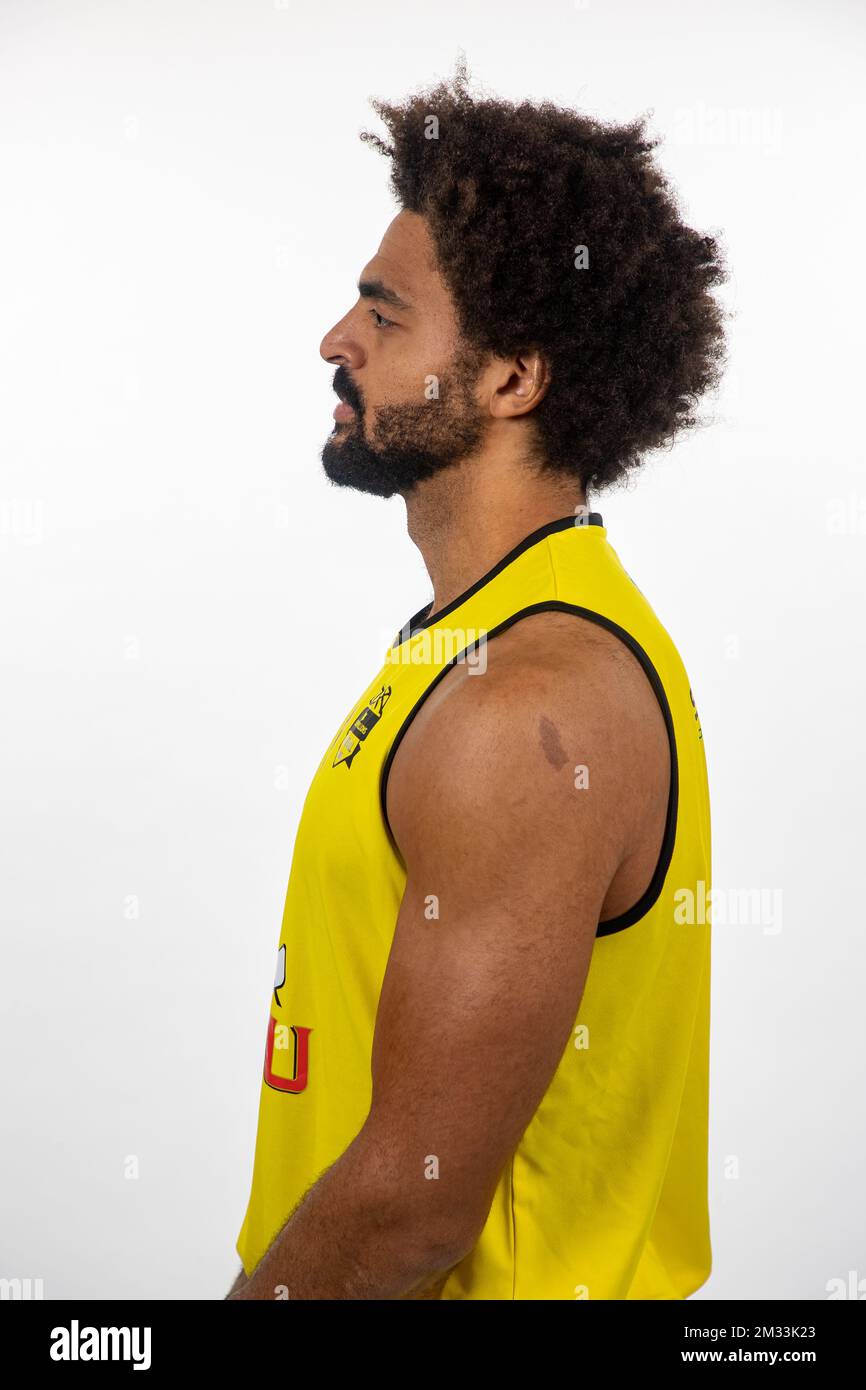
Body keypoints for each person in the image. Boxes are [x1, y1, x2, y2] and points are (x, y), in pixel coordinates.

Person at [227, 60, 726, 1301]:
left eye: (384, 317)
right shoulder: (478, 644)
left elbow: (414, 1208)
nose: (335, 342)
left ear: (511, 379)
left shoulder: (528, 707)